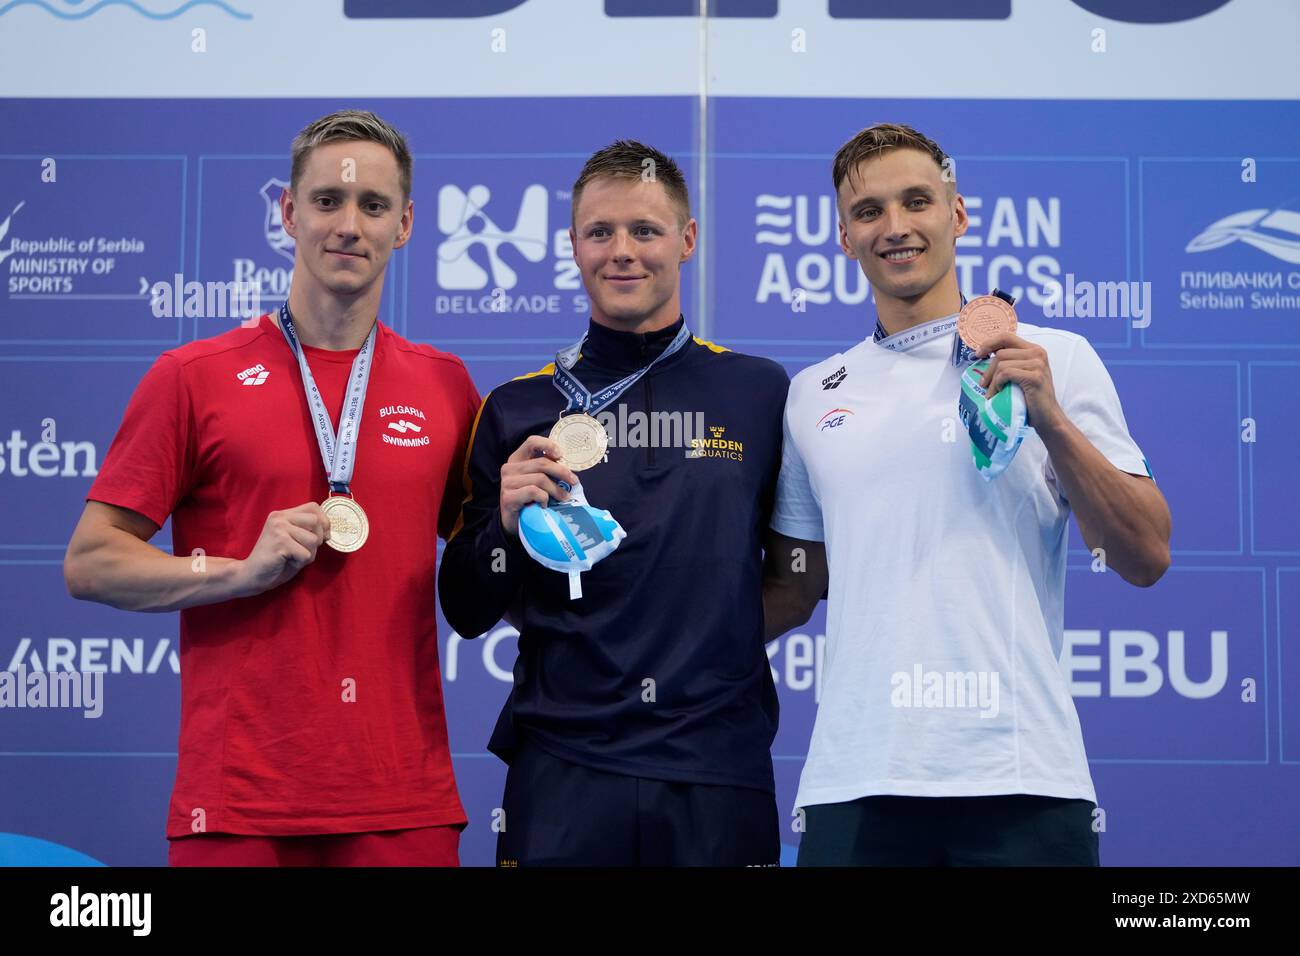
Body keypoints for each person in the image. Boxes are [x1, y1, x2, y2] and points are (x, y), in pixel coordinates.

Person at [63, 110, 480, 866]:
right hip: (239, 803)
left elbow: (488, 568)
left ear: (407, 224)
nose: (348, 225)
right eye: (327, 201)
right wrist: (238, 573)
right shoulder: (193, 377)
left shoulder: (446, 387)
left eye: (373, 206)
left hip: (402, 800)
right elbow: (90, 563)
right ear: (287, 213)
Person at [762, 123, 1172, 866]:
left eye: (917, 201)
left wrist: (1048, 416)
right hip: (855, 783)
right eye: (868, 211)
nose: (895, 227)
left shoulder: (1057, 361)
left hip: (1022, 780)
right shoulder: (809, 397)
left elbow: (1143, 554)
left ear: (957, 214)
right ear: (843, 237)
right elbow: (794, 589)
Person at [439, 140, 788, 866]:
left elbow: (798, 576)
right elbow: (467, 610)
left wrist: (708, 643)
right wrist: (504, 525)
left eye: (645, 231)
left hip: (716, 766)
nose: (622, 252)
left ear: (687, 240)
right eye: (600, 232)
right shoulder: (515, 407)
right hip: (563, 766)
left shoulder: (760, 394)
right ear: (573, 245)